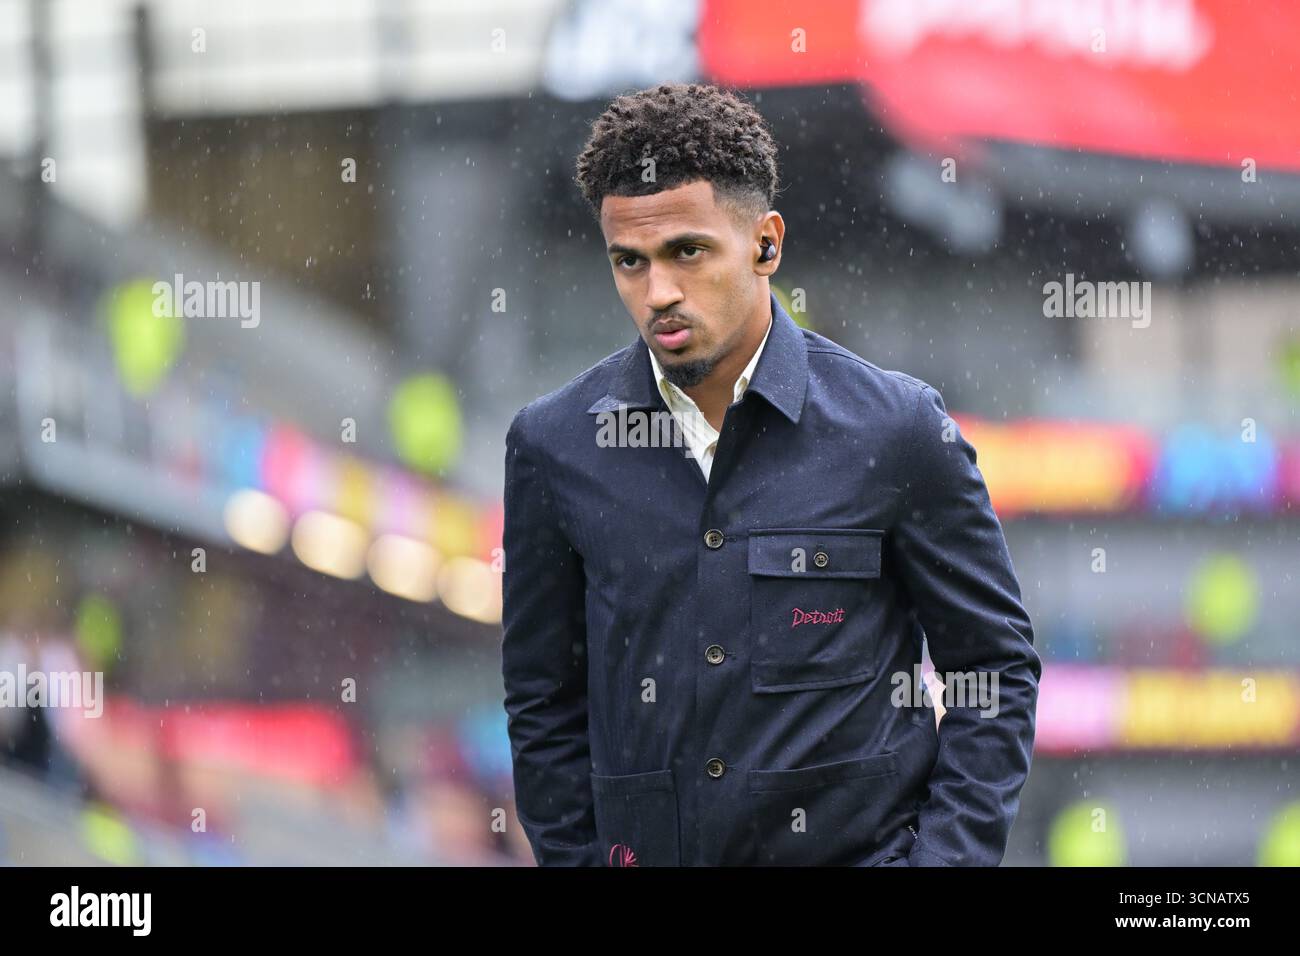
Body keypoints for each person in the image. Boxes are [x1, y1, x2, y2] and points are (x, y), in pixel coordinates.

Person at [500, 82, 1041, 866]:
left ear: (766, 244)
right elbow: (543, 703)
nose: (659, 294)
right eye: (630, 261)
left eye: (689, 251)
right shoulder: (554, 447)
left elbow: (993, 671)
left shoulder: (897, 430)